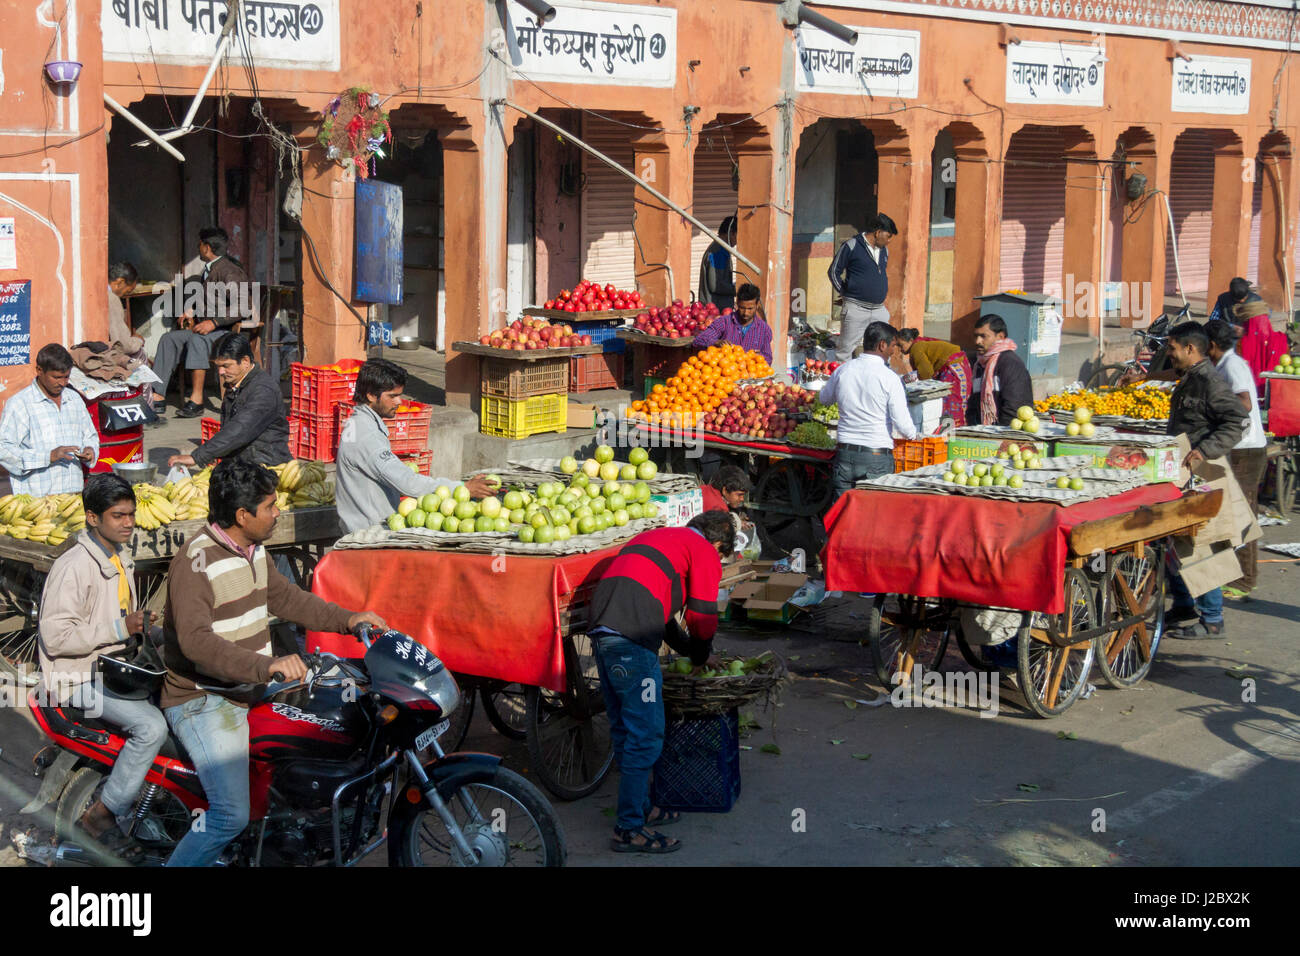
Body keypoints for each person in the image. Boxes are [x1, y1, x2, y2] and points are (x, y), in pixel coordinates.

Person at [160, 458, 386, 866]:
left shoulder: (253, 550)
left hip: (249, 688)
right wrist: (265, 666)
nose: (277, 513)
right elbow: (196, 643)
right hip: (205, 699)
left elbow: (286, 598)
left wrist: (347, 619)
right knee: (229, 816)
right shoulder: (196, 562)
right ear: (242, 515)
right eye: (269, 507)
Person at [586, 512, 735, 853]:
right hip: (632, 638)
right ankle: (628, 829)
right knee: (647, 734)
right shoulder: (704, 551)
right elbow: (702, 615)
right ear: (717, 544)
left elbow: (666, 618)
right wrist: (701, 654)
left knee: (625, 729)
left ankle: (638, 809)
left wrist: (695, 653)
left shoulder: (663, 538)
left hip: (603, 629)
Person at [38, 473, 168, 852]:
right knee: (150, 727)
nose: (128, 523)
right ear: (93, 518)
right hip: (75, 677)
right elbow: (56, 637)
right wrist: (119, 627)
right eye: (118, 516)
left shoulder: (118, 555)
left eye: (131, 514)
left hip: (110, 667)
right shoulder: (74, 567)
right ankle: (102, 814)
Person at [335, 358, 493, 533]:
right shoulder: (367, 436)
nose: (399, 402)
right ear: (371, 395)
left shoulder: (358, 423)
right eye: (392, 396)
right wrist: (462, 489)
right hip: (371, 533)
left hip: (361, 526)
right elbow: (408, 483)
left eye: (400, 395)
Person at [1161, 321, 1246, 641]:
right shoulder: (1190, 378)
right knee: (1177, 543)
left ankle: (1212, 618)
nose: (1169, 354)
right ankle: (1183, 604)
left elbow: (1237, 419)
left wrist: (1203, 450)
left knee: (1203, 544)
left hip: (1203, 473)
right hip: (1183, 470)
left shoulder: (1209, 381)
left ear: (1189, 349)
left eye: (1172, 348)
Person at [151, 227, 253, 420]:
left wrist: (214, 322)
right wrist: (191, 311)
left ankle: (197, 400)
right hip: (209, 328)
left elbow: (243, 306)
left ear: (207, 247)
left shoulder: (229, 271)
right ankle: (157, 394)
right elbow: (212, 299)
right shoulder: (211, 269)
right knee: (169, 339)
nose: (198, 248)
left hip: (225, 332)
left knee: (198, 340)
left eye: (199, 244)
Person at [1205, 319, 1267, 599]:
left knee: (1244, 514)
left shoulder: (1232, 366)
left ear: (1212, 346)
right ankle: (1234, 573)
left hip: (1247, 449)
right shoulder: (1223, 364)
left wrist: (1215, 406)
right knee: (1235, 512)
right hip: (1240, 448)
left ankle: (1245, 580)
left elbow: (1245, 402)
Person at [820, 321, 916, 501]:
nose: (893, 351)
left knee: (843, 512)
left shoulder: (843, 370)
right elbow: (902, 423)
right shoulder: (890, 378)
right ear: (882, 345)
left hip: (845, 455)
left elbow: (824, 399)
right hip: (876, 457)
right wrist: (914, 435)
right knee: (872, 514)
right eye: (893, 345)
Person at [167, 333, 290, 470]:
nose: (220, 371)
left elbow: (240, 429)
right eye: (218, 366)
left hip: (265, 466)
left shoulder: (263, 390)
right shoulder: (234, 384)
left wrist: (198, 456)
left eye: (226, 366)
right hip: (242, 462)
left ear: (245, 361)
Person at [0, 343, 99, 495]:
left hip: (73, 495)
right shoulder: (20, 404)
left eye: (66, 377)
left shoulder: (74, 399)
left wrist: (90, 450)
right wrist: (48, 456)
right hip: (37, 501)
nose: (63, 383)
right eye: (56, 377)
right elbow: (4, 450)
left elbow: (90, 436)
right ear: (39, 370)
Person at [828, 213, 898, 363]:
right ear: (878, 233)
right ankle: (843, 383)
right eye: (888, 236)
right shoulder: (852, 245)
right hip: (856, 309)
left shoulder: (884, 250)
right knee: (845, 350)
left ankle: (881, 381)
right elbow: (834, 271)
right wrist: (845, 293)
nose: (889, 241)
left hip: (879, 309)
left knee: (883, 347)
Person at [896, 328, 973, 427]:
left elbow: (926, 373)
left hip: (952, 367)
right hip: (958, 365)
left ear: (910, 340)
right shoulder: (920, 344)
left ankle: (953, 433)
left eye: (900, 345)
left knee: (950, 402)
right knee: (956, 402)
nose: (899, 349)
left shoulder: (916, 348)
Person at [966, 314, 1034, 427]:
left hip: (1003, 432)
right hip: (982, 432)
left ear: (1000, 337)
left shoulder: (1010, 363)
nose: (978, 341)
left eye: (983, 336)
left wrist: (997, 436)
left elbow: (1015, 408)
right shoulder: (978, 363)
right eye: (976, 336)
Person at [690, 283, 774, 364]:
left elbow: (768, 358)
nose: (746, 313)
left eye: (750, 308)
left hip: (750, 376)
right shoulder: (724, 322)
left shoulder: (764, 329)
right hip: (724, 374)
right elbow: (698, 341)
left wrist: (757, 357)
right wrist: (716, 342)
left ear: (757, 305)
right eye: (742, 308)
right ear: (737, 303)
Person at [1234, 300, 1288, 389]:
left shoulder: (1240, 343)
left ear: (1247, 324)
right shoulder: (1281, 341)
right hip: (1275, 392)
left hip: (1249, 393)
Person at [107, 261, 147, 362]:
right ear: (119, 282)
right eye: (128, 291)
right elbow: (123, 345)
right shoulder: (112, 299)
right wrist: (138, 341)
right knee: (141, 356)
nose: (125, 295)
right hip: (107, 355)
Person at [697, 216, 738, 310]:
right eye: (738, 235)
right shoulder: (718, 252)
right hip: (715, 311)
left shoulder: (720, 249)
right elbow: (715, 285)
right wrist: (738, 289)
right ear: (731, 233)